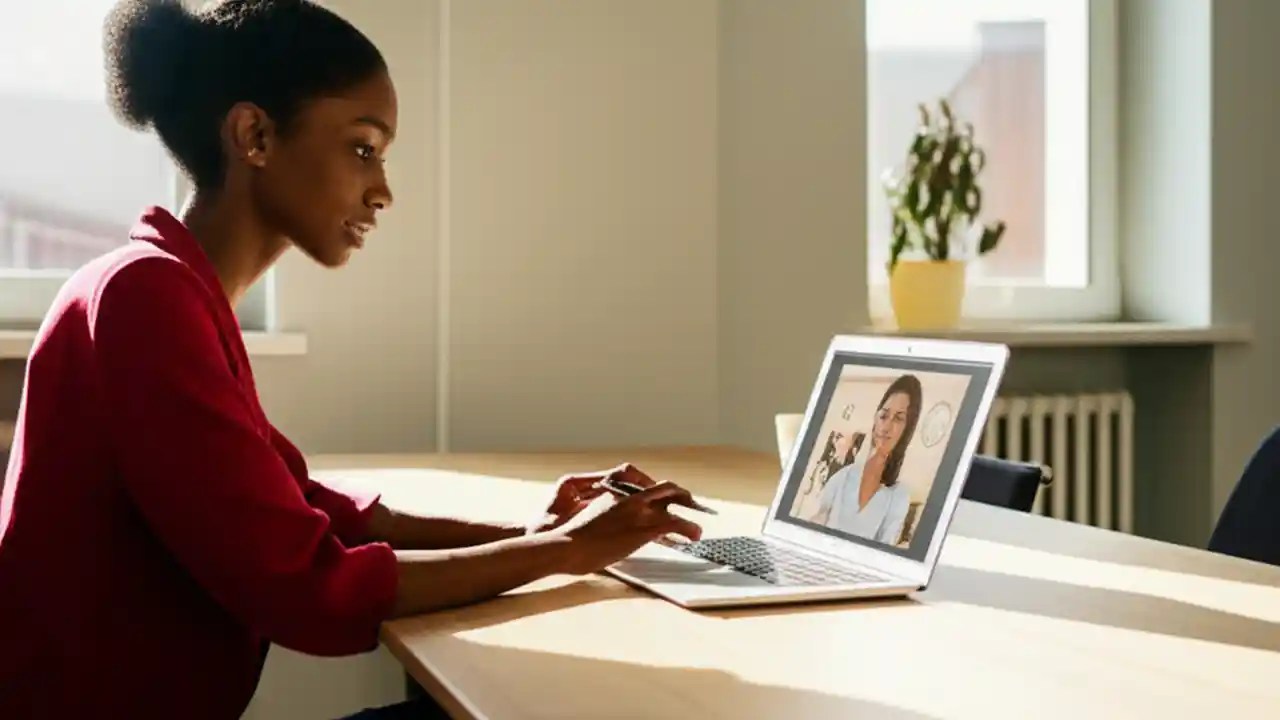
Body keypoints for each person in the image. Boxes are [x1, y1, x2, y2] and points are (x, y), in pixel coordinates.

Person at [0, 2, 702, 718]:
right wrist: (563, 553)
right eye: (363, 149)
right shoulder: (143, 298)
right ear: (256, 135)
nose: (382, 189)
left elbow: (308, 510)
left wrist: (533, 533)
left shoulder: (167, 288)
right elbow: (311, 586)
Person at [813, 375, 923, 544]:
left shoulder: (898, 495)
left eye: (898, 419)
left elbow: (885, 547)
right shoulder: (844, 476)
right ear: (875, 418)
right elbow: (818, 519)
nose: (886, 427)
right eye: (884, 416)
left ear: (907, 430)